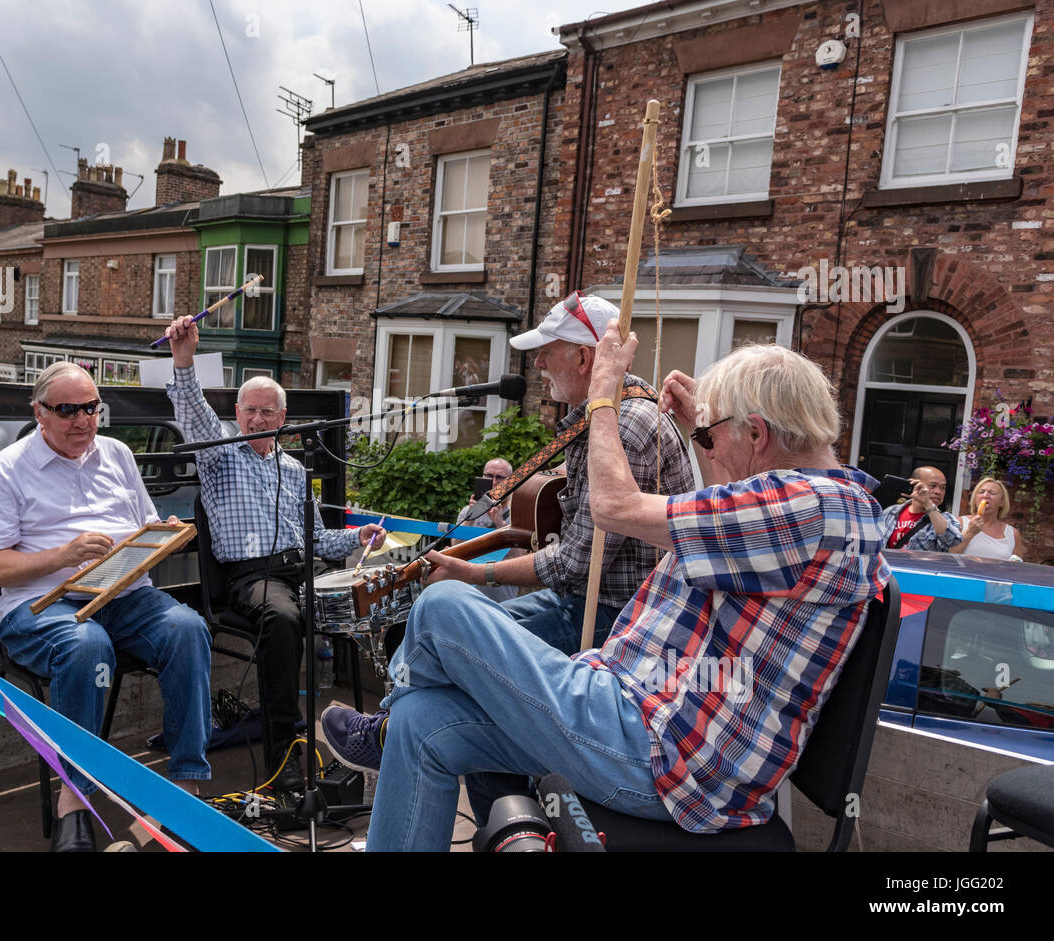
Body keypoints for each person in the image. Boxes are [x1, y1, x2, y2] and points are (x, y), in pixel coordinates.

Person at [322, 332, 890, 851]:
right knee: (427, 724)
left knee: (442, 608)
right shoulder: (812, 512)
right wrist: (705, 431)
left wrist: (602, 400)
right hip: (637, 721)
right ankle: (398, 722)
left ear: (759, 434)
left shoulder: (809, 510)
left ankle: (385, 722)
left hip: (663, 759)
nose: (706, 448)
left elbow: (614, 508)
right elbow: (731, 496)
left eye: (713, 436)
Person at [0, 361, 213, 852]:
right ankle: (74, 801)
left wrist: (161, 535)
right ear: (39, 412)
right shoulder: (8, 468)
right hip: (42, 606)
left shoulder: (118, 454)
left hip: (124, 594)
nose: (83, 420)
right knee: (87, 645)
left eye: (91, 408)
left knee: (188, 628)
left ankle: (186, 786)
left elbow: (146, 524)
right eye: (68, 410)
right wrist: (63, 556)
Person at [163, 315, 383, 793]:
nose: (257, 419)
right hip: (251, 578)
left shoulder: (294, 469)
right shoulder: (220, 453)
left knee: (376, 598)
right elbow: (195, 413)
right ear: (237, 413)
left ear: (282, 420)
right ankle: (285, 763)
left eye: (266, 412)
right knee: (282, 621)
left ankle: (373, 739)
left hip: (302, 569)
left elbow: (316, 539)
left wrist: (358, 538)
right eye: (249, 410)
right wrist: (184, 360)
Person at [424, 293, 695, 655]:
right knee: (449, 628)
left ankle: (390, 714)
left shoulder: (624, 426)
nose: (537, 363)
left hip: (626, 619)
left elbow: (573, 565)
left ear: (584, 358)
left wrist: (475, 573)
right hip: (592, 602)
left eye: (546, 352)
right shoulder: (603, 417)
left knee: (455, 645)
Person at [454, 457, 519, 603]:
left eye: (500, 477)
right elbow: (455, 547)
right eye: (489, 476)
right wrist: (471, 516)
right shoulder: (467, 511)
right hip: (468, 595)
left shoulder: (518, 514)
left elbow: (519, 556)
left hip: (501, 599)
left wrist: (499, 523)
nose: (494, 482)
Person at [878, 466, 963, 552]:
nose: (938, 492)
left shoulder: (947, 519)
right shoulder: (891, 512)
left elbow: (954, 542)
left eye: (943, 488)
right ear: (914, 484)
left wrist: (928, 504)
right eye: (933, 486)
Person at [951, 477, 1025, 560]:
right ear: (975, 499)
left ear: (1002, 502)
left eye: (992, 493)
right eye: (981, 492)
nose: (985, 495)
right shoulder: (959, 522)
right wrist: (969, 532)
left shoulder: (1012, 534)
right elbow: (948, 556)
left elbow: (1017, 566)